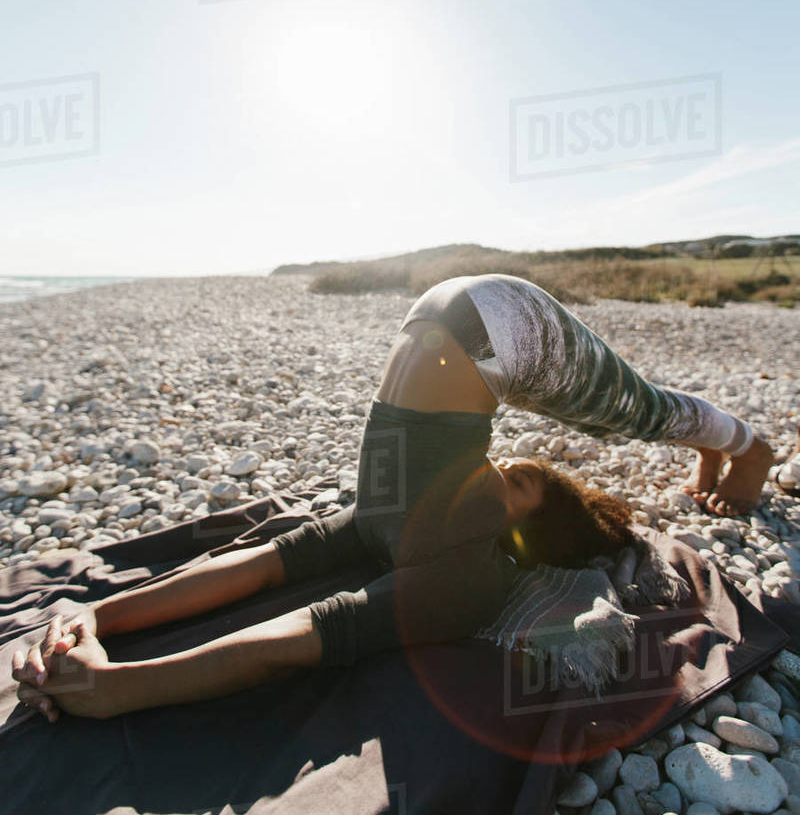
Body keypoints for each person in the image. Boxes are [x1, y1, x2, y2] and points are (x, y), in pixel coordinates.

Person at [12, 273, 772, 722]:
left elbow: (293, 632)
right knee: (629, 413)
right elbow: (256, 567)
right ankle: (723, 444)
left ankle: (744, 444)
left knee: (636, 412)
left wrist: (123, 686)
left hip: (484, 325)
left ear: (524, 536)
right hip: (492, 322)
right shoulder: (418, 516)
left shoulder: (456, 576)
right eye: (514, 462)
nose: (507, 461)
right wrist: (95, 614)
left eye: (521, 479)